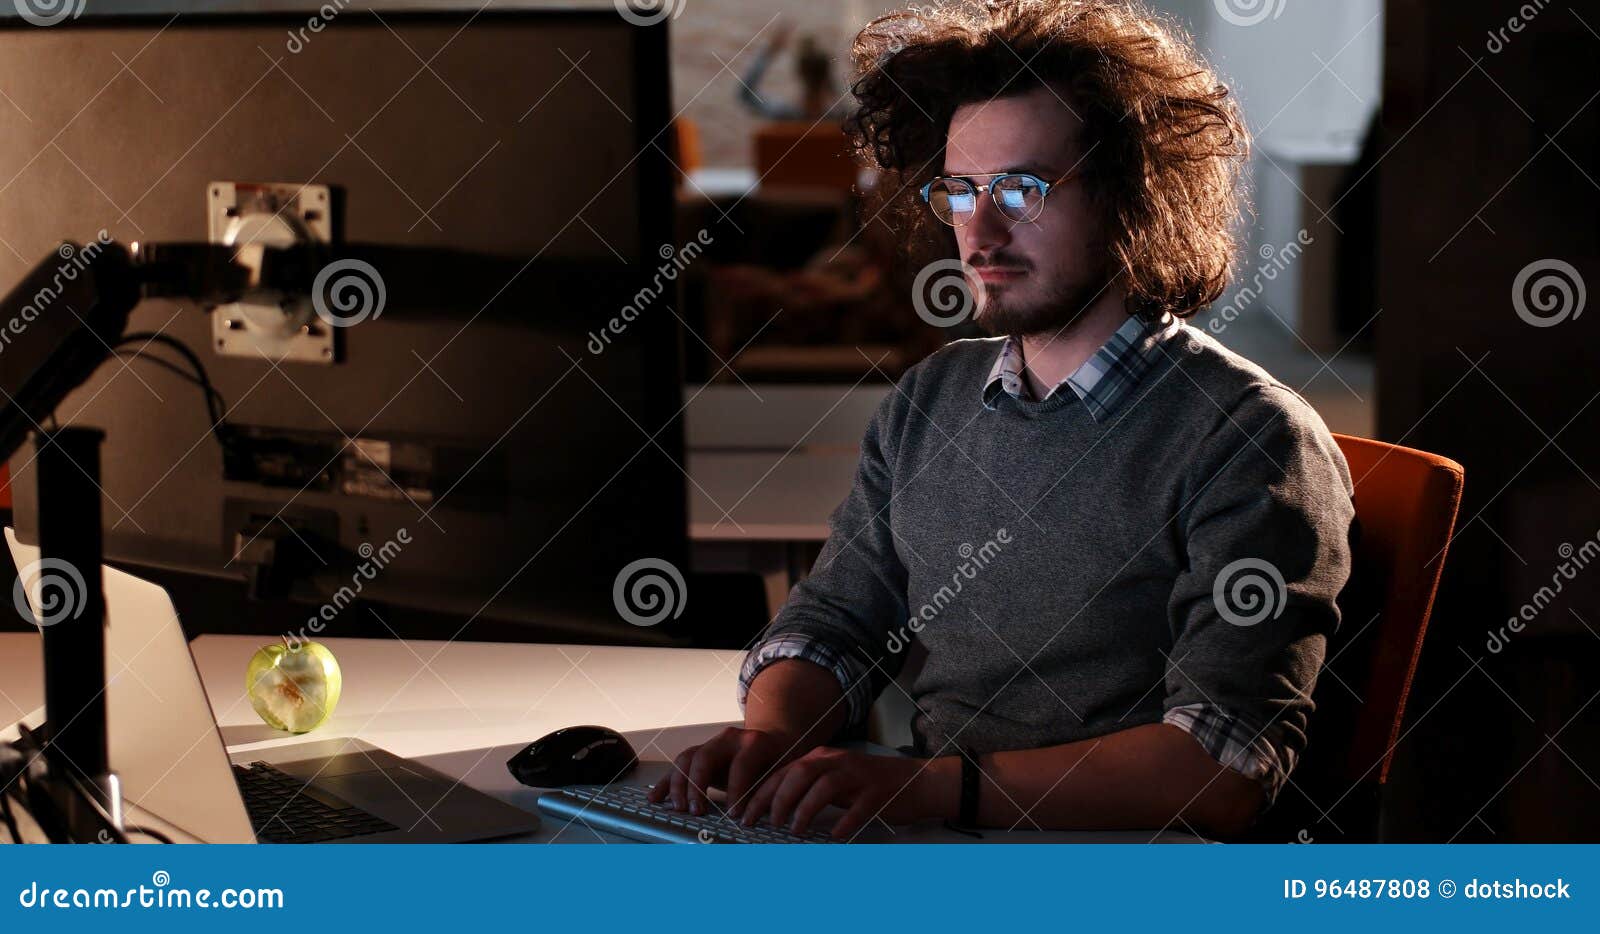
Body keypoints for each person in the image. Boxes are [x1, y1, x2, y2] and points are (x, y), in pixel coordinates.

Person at [651, 0, 1357, 841]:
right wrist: (769, 738)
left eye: (1022, 189)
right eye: (959, 189)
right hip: (934, 845)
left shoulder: (1251, 439)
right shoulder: (929, 401)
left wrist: (924, 791)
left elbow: (1221, 767)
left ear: (1134, 195)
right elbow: (834, 623)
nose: (977, 232)